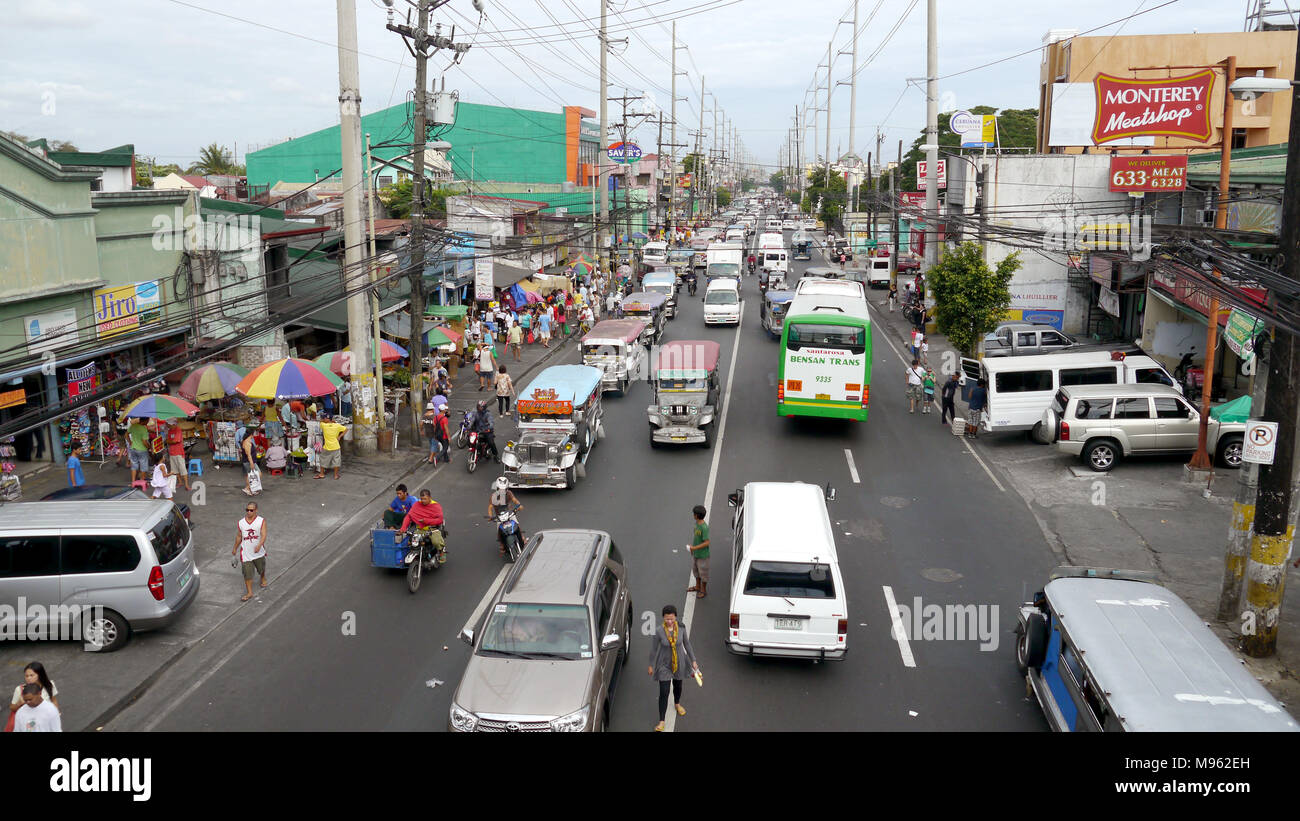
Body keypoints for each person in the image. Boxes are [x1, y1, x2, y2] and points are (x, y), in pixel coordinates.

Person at [647, 604, 700, 732]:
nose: (669, 621)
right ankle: (662, 721)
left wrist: (693, 660)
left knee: (678, 686)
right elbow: (654, 650)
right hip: (664, 664)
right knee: (664, 692)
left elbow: (687, 644)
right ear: (663, 619)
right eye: (666, 619)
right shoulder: (659, 631)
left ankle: (677, 703)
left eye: (671, 619)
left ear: (676, 617)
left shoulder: (681, 628)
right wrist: (651, 664)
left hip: (679, 662)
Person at [232, 501, 268, 602]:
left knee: (261, 568)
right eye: (247, 510)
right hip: (246, 553)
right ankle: (249, 592)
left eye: (251, 510)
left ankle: (263, 577)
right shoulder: (241, 523)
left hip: (258, 552)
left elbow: (264, 535)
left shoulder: (261, 521)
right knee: (247, 573)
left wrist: (259, 545)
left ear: (256, 510)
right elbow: (239, 536)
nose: (249, 512)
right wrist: (235, 548)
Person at [486, 477, 524, 556]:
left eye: (504, 489)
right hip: (499, 516)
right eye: (500, 489)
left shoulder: (509, 493)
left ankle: (522, 537)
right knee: (499, 532)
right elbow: (490, 507)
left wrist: (519, 505)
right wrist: (490, 516)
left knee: (517, 525)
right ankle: (502, 545)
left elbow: (514, 500)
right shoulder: (493, 496)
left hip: (509, 513)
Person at [686, 505, 710, 599]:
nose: (693, 515)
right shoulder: (696, 524)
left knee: (703, 573)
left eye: (694, 514)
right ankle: (697, 586)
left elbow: (707, 542)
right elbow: (696, 538)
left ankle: (703, 590)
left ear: (696, 515)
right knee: (696, 571)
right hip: (696, 553)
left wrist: (694, 548)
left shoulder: (704, 527)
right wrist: (693, 549)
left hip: (703, 555)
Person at [315, 415, 348, 479]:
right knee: (336, 461)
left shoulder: (324, 425)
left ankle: (322, 474)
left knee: (323, 459)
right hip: (336, 446)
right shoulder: (337, 425)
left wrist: (325, 420)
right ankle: (335, 475)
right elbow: (346, 429)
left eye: (325, 418)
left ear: (327, 419)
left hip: (327, 447)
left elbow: (320, 421)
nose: (324, 419)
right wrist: (340, 436)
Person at [164, 422, 190, 491]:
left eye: (168, 424)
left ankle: (186, 484)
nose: (167, 425)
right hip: (172, 452)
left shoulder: (178, 430)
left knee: (182, 469)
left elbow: (176, 441)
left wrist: (169, 441)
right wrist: (170, 441)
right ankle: (180, 482)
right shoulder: (169, 431)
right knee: (175, 469)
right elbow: (168, 441)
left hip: (179, 452)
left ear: (172, 424)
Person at [126, 417, 150, 484]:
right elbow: (144, 442)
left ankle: (133, 481)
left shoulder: (133, 426)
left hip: (133, 448)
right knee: (143, 465)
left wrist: (130, 442)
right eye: (148, 420)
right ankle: (142, 481)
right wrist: (149, 447)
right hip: (142, 450)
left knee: (134, 465)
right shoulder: (144, 429)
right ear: (145, 421)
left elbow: (126, 434)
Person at [240, 425, 260, 497]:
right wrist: (251, 463)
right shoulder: (247, 443)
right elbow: (249, 454)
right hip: (249, 462)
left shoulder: (246, 441)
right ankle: (248, 488)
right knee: (258, 474)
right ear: (251, 434)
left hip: (247, 461)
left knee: (249, 476)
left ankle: (251, 489)